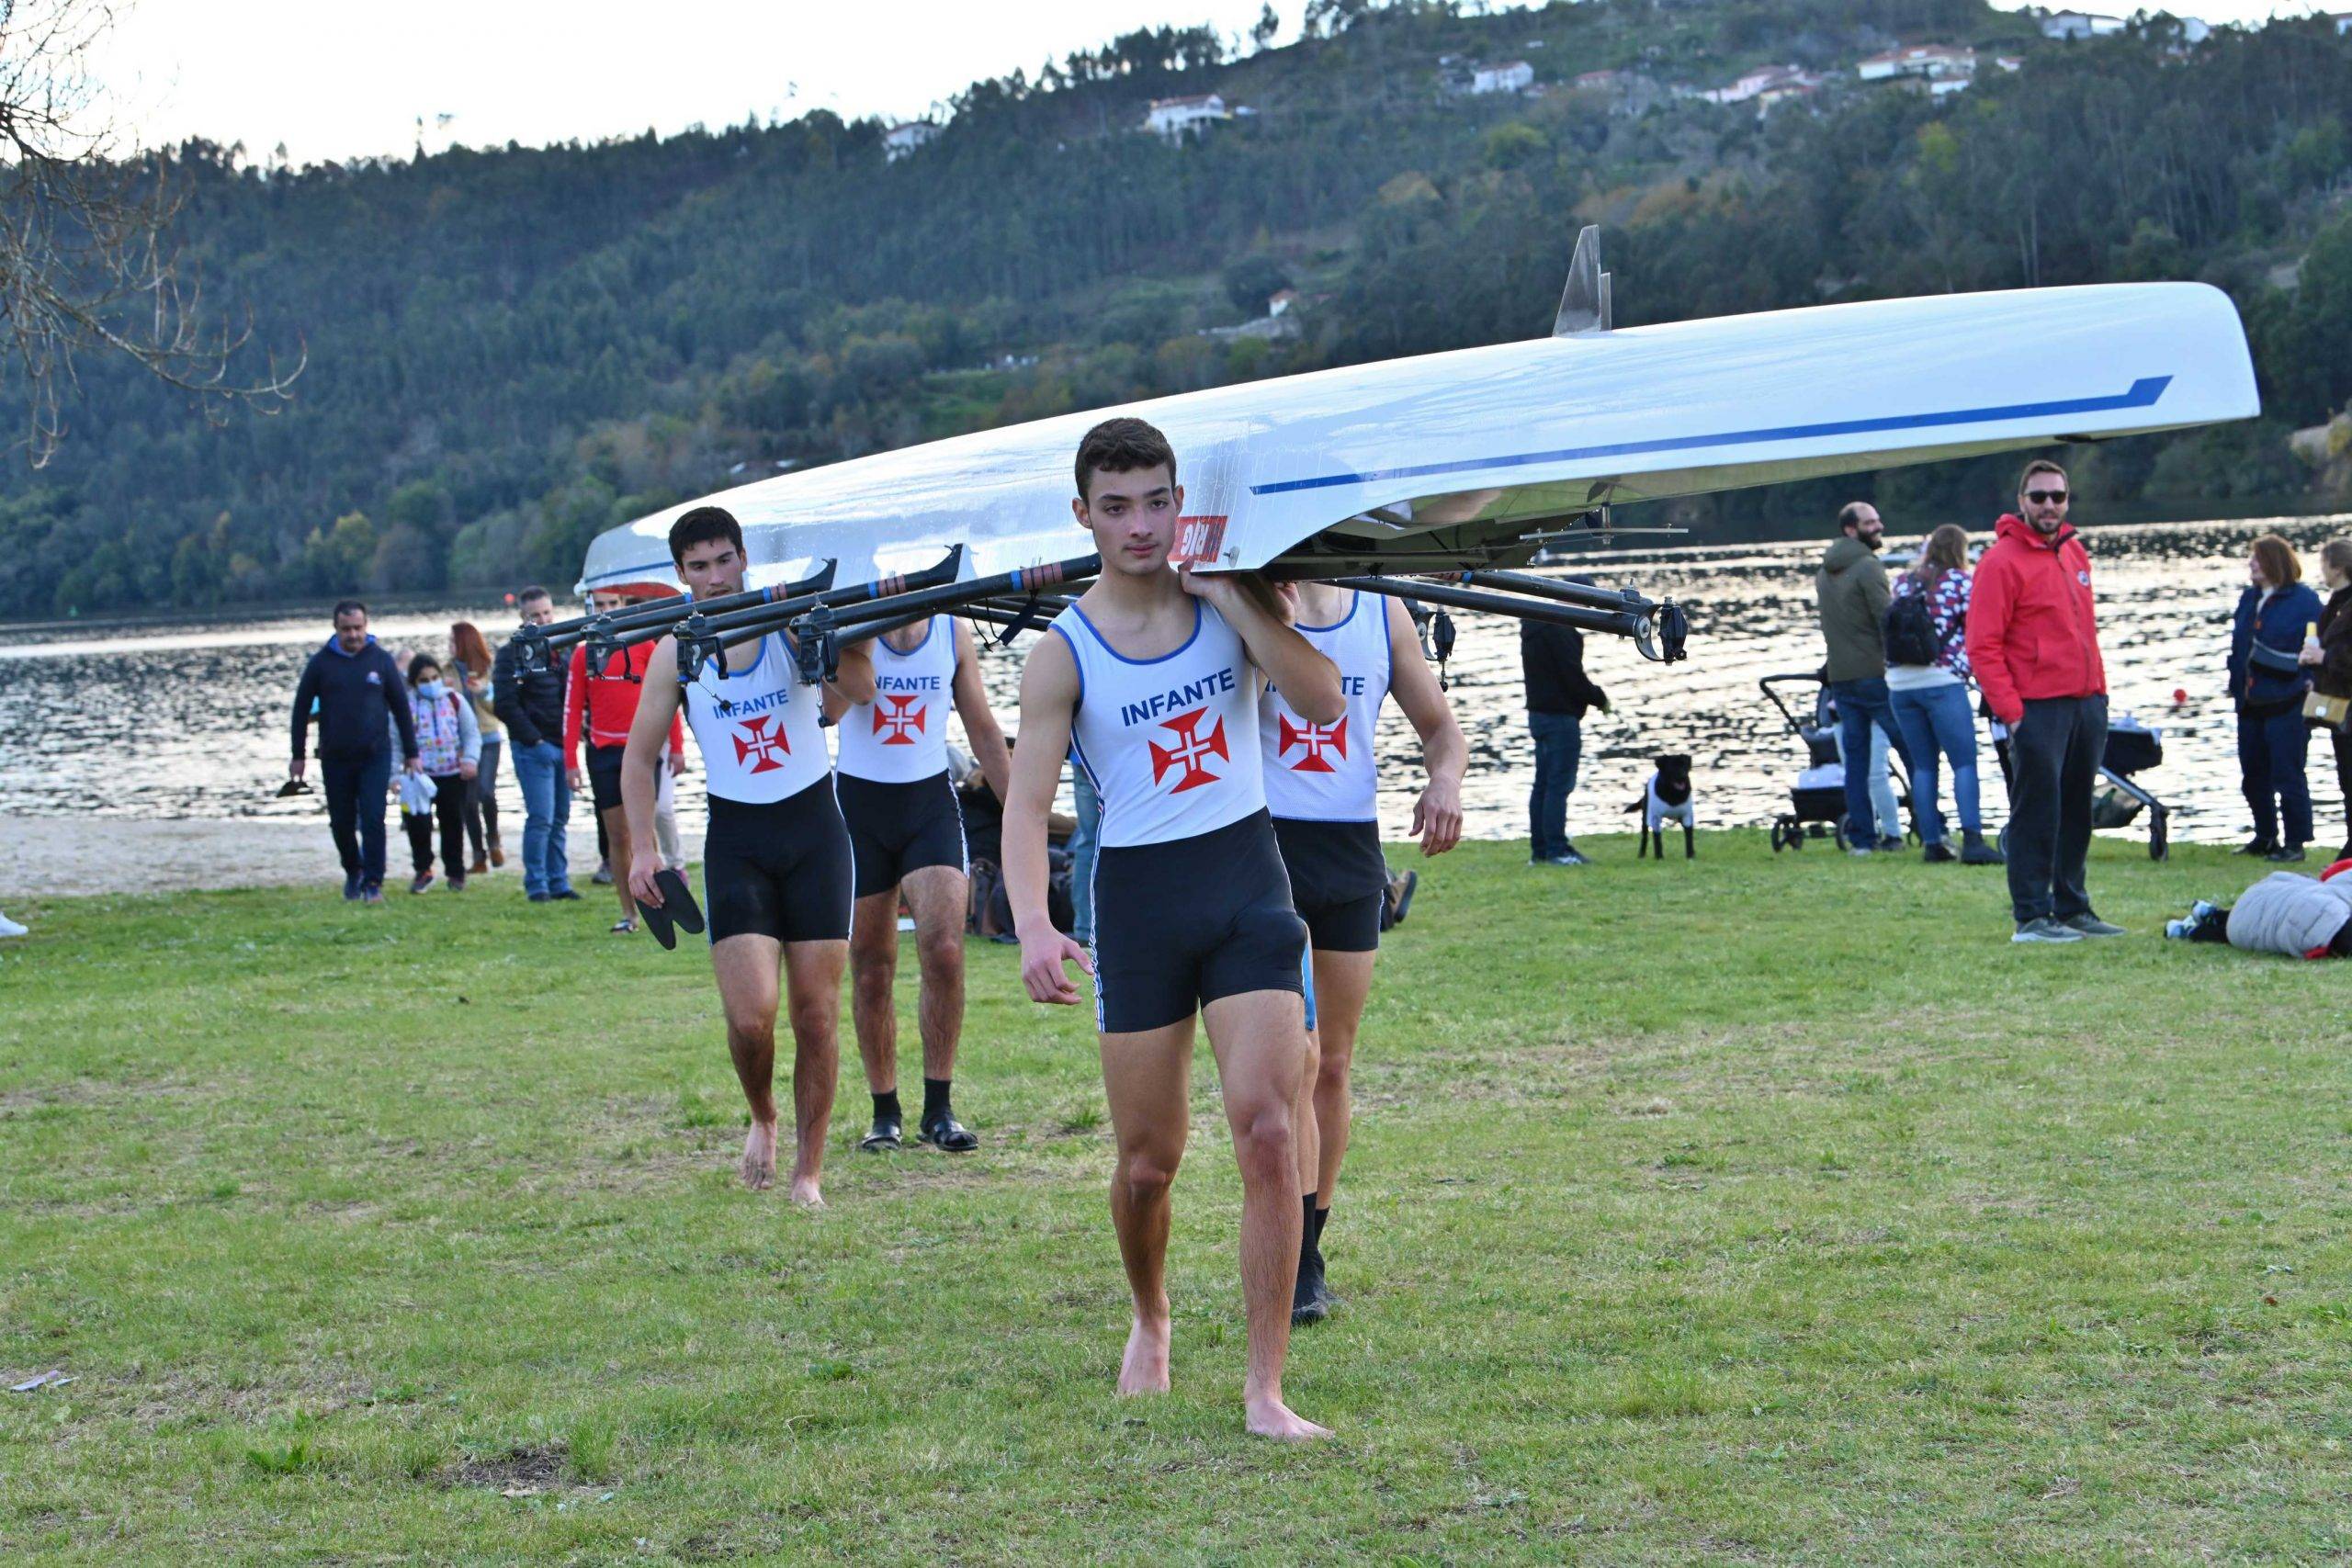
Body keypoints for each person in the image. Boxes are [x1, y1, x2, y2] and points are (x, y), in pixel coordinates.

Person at [1006, 416, 1342, 1440]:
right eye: (1116, 507)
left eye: (1157, 500)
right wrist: (1032, 922)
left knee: (1269, 1127)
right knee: (1149, 1164)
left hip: (1247, 886)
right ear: (1084, 516)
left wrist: (1238, 602)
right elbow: (1023, 806)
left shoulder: (1230, 602)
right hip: (1141, 910)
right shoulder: (1063, 653)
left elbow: (1322, 705)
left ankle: (1264, 1391)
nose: (1140, 525)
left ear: (1178, 502)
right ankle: (1149, 1316)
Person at [621, 506, 875, 1204]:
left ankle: (809, 1173)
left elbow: (861, 688)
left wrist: (830, 638)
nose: (714, 577)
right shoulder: (677, 650)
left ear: (743, 560)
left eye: (723, 560)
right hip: (737, 838)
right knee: (751, 1017)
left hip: (815, 832)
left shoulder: (789, 623)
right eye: (697, 567)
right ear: (681, 576)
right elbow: (639, 755)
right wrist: (643, 849)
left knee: (816, 1015)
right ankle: (763, 1113)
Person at [1261, 580, 1464, 1325]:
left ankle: (1311, 1243)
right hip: (1266, 845)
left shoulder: (1382, 610)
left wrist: (1445, 781)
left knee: (1335, 1062)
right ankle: (1297, 1261)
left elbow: (1441, 727)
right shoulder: (1253, 596)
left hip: (1349, 848)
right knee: (1298, 1055)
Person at [831, 614, 1012, 1153]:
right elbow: (827, 710)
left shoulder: (952, 631)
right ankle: (883, 1110)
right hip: (859, 809)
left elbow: (981, 725)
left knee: (945, 949)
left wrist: (1024, 812)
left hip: (929, 803)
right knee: (871, 965)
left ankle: (940, 1108)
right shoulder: (855, 627)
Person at [1964, 460, 2121, 944]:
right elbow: (1982, 646)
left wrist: (2099, 693)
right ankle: (2031, 916)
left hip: (2085, 702)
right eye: (2039, 497)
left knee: (2078, 808)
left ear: (2068, 500)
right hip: (2036, 707)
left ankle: (2073, 908)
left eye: (2057, 496)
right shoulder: (2001, 562)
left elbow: (2084, 632)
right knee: (2036, 811)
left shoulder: (2075, 554)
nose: (2049, 505)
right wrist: (2012, 713)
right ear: (2021, 502)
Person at [290, 601, 421, 903]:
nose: (353, 634)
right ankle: (354, 871)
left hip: (375, 754)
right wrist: (298, 756)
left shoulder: (381, 660)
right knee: (342, 822)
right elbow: (300, 711)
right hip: (335, 756)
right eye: (347, 629)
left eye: (358, 628)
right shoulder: (321, 664)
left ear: (366, 625)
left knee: (374, 818)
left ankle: (374, 881)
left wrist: (412, 753)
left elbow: (402, 708)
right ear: (336, 628)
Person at [563, 617, 687, 933]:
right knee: (618, 836)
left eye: (611, 605)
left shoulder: (646, 645)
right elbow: (573, 708)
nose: (606, 612)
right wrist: (570, 762)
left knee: (646, 831)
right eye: (599, 605)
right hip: (604, 752)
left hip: (645, 750)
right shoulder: (584, 653)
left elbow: (668, 697)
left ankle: (662, 905)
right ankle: (629, 913)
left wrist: (677, 745)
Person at [1887, 524, 2000, 865]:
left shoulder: (1903, 582)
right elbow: (1977, 629)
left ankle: (1933, 842)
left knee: (1923, 766)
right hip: (1942, 681)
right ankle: (1974, 841)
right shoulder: (1962, 582)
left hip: (1899, 684)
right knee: (1963, 762)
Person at [1815, 502, 1913, 854]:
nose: (1879, 526)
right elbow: (1886, 621)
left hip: (1841, 679)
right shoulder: (1868, 567)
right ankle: (1932, 827)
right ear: (1851, 530)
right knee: (1911, 749)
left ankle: (1863, 839)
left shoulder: (1824, 572)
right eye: (1871, 523)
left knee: (1855, 764)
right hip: (1875, 676)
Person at [2228, 535, 2323, 863]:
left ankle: (2295, 843)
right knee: (2252, 774)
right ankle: (2265, 835)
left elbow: (2317, 645)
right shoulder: (2248, 599)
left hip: (2289, 703)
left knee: (2288, 774)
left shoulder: (2305, 600)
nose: (2251, 564)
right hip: (2250, 703)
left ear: (2275, 561)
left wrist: (2311, 681)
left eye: (2257, 558)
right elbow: (2238, 647)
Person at [490, 587, 580, 904]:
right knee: (541, 817)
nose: (542, 620)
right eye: (535, 615)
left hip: (561, 744)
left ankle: (559, 881)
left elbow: (571, 696)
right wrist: (534, 739)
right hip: (533, 747)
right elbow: (504, 704)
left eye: (546, 613)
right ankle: (537, 884)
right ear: (522, 617)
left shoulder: (562, 650)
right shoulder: (510, 654)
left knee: (559, 818)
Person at [1521, 612, 1606, 865]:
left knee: (1542, 785)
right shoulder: (1561, 630)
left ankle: (1540, 850)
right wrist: (1599, 698)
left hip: (1537, 715)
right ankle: (1557, 849)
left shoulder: (1533, 628)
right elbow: (1573, 678)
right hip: (1561, 718)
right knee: (1559, 785)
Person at [398, 653, 481, 893]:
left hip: (452, 773)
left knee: (453, 823)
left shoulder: (454, 700)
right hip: (418, 776)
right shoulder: (405, 706)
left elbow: (471, 732)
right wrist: (394, 775)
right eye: (424, 680)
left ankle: (455, 872)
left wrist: (470, 759)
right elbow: (394, 740)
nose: (431, 683)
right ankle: (423, 869)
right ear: (414, 683)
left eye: (435, 677)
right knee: (418, 824)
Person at [2165, 857, 2352, 956]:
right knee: (2268, 926)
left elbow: (2332, 873)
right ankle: (2197, 929)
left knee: (2271, 917)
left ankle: (2211, 919)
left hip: (2276, 897)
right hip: (2314, 914)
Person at [2301, 538, 2352, 861]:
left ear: (2337, 566)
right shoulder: (2334, 604)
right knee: (2346, 778)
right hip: (2339, 710)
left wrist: (2324, 656)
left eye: (2323, 564)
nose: (2321, 570)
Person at [449, 622, 505, 874]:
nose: (449, 646)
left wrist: (483, 693)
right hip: (461, 743)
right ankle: (478, 855)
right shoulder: (445, 672)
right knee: (468, 801)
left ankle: (494, 839)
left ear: (464, 643)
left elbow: (500, 710)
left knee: (486, 792)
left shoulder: (489, 670)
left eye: (452, 641)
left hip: (489, 738)